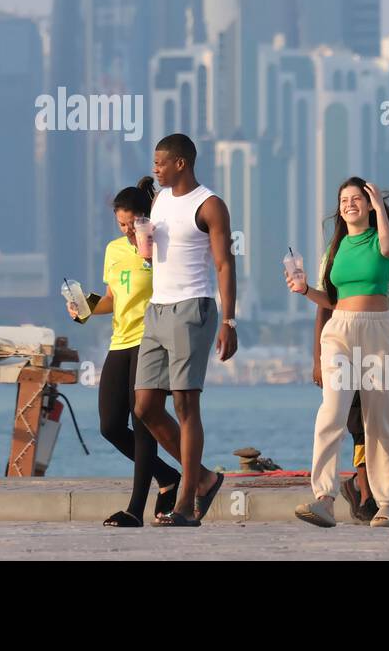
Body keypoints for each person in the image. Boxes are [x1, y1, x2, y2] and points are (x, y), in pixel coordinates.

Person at [288, 177, 389, 528]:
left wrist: (377, 208)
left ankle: (388, 504)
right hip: (340, 330)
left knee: (380, 420)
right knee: (332, 410)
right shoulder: (337, 247)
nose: (349, 204)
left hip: (379, 330)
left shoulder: (386, 240)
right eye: (344, 200)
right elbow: (331, 299)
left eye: (357, 198)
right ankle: (324, 498)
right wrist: (304, 290)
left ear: (371, 204)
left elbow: (388, 249)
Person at [133, 133, 238, 527]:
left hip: (194, 308)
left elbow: (225, 264)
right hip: (157, 309)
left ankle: (185, 504)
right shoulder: (159, 201)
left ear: (181, 163)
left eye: (161, 162)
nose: (155, 168)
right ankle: (206, 479)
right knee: (144, 406)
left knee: (185, 403)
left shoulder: (209, 204)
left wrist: (229, 320)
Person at [66, 178, 181, 527]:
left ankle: (135, 510)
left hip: (152, 341)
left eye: (133, 224)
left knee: (144, 421)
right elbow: (113, 297)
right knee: (110, 425)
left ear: (146, 218)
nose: (128, 231)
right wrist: (83, 307)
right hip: (120, 341)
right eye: (122, 225)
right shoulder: (114, 250)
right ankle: (168, 477)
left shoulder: (162, 246)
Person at [308, 242, 389, 522]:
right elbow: (325, 305)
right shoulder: (336, 251)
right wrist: (317, 359)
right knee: (348, 419)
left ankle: (364, 490)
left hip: (382, 341)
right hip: (344, 339)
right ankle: (361, 495)